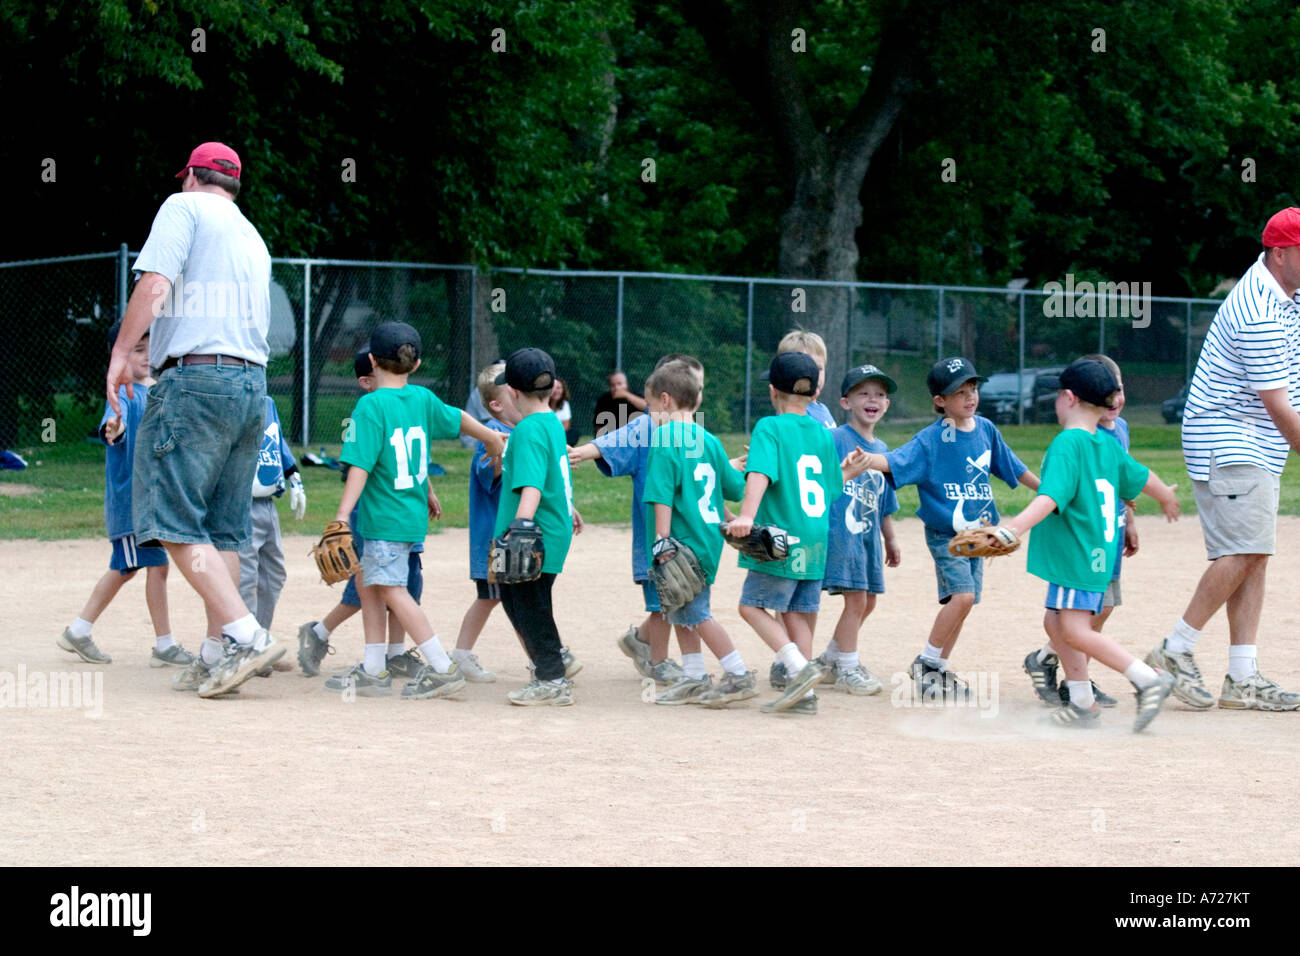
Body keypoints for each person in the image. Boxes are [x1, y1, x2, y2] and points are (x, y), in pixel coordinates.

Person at [106, 141, 284, 698]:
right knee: (225, 528)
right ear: (234, 184)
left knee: (171, 520)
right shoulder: (252, 235)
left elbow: (155, 284)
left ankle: (249, 637)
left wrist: (122, 351)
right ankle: (216, 652)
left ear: (190, 176)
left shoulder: (183, 207)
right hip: (252, 387)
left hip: (195, 381)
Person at [1150, 207, 1300, 711]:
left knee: (1253, 553)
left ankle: (1242, 677)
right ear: (1280, 254)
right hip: (1230, 437)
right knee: (1243, 550)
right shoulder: (1259, 310)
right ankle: (1176, 648)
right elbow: (1278, 405)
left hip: (1257, 439)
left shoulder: (1288, 294)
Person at [995, 359, 1181, 731]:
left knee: (1076, 630)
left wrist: (1012, 529)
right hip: (1094, 550)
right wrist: (1165, 495)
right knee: (1056, 622)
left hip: (1076, 552)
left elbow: (1050, 497)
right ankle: (1081, 701)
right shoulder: (1105, 444)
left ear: (1069, 398)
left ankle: (1148, 679)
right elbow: (1140, 476)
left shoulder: (1069, 443)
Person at [332, 321, 505, 699]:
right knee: (373, 585)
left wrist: (343, 515)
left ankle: (442, 667)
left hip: (385, 518)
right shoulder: (422, 398)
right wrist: (491, 436)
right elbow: (458, 417)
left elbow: (359, 465)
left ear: (372, 360)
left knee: (391, 590)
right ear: (415, 364)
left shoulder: (370, 405)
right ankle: (374, 668)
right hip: (409, 516)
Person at [859, 357, 1039, 699]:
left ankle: (937, 670)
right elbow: (896, 461)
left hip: (979, 536)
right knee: (963, 596)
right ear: (940, 401)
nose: (970, 397)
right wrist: (867, 459)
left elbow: (1014, 467)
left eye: (973, 388)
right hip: (947, 535)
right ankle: (926, 663)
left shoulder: (986, 430)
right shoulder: (931, 439)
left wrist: (1047, 493)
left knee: (965, 603)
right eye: (959, 392)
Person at [724, 351, 871, 715]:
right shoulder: (822, 434)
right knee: (797, 613)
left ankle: (800, 669)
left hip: (782, 538)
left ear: (773, 390)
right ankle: (803, 694)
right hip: (817, 538)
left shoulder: (769, 428)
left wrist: (746, 515)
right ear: (815, 393)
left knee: (750, 606)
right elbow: (830, 487)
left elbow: (759, 473)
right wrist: (850, 470)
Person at [569, 355, 713, 685]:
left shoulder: (692, 429)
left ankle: (639, 641)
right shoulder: (648, 425)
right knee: (663, 602)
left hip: (687, 535)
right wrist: (579, 452)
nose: (697, 394)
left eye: (700, 387)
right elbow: (611, 442)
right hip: (657, 538)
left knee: (679, 598)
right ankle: (658, 662)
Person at [298, 346, 434, 684]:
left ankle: (395, 654)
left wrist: (428, 490)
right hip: (372, 509)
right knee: (369, 586)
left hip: (404, 508)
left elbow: (410, 458)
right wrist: (344, 514)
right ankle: (320, 631)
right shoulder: (367, 413)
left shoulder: (403, 404)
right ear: (366, 381)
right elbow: (361, 465)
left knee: (408, 580)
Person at [59, 322, 188, 669]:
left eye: (149, 349)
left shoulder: (158, 390)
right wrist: (113, 428)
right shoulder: (123, 393)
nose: (146, 356)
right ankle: (161, 645)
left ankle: (80, 630)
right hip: (131, 504)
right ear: (118, 356)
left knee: (134, 567)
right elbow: (112, 424)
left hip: (151, 503)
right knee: (142, 566)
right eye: (137, 350)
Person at [640, 360, 757, 706]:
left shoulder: (664, 438)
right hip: (706, 541)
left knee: (697, 614)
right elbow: (732, 487)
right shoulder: (709, 440)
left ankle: (737, 674)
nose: (650, 414)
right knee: (679, 607)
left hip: (681, 543)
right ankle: (693, 677)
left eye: (650, 406)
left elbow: (661, 493)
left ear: (665, 400)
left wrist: (662, 541)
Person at [1023, 354, 1131, 708]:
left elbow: (1122, 484)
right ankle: (1075, 683)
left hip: (1109, 534)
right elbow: (1057, 492)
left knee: (1103, 607)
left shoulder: (1120, 430)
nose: (1115, 399)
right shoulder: (1079, 437)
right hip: (1083, 539)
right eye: (1107, 391)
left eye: (1119, 389)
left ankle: (1051, 662)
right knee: (1070, 616)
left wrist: (1130, 521)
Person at [493, 348, 579, 705]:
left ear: (513, 392)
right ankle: (554, 661)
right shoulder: (552, 422)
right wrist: (568, 505)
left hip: (534, 534)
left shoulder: (527, 429)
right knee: (517, 600)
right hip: (550, 528)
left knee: (530, 606)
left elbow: (532, 483)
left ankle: (551, 678)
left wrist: (522, 528)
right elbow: (554, 474)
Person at [809, 364, 901, 695]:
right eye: (863, 393)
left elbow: (885, 502)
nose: (872, 399)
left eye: (879, 394)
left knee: (868, 601)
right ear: (846, 402)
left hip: (868, 538)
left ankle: (831, 659)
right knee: (857, 600)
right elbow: (816, 481)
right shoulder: (834, 439)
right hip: (840, 533)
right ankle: (848, 667)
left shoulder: (883, 450)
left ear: (886, 405)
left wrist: (890, 539)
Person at [238, 395, 306, 636]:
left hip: (268, 503)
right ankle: (244, 640)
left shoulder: (267, 402)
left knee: (273, 574)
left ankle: (259, 635)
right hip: (240, 503)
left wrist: (294, 476)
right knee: (245, 577)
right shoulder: (230, 399)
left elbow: (276, 438)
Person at [778, 330, 836, 428]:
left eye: (819, 368)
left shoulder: (822, 408)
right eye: (805, 368)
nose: (814, 375)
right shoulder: (793, 411)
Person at [592, 369, 646, 436]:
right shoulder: (603, 401)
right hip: (612, 437)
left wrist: (626, 395)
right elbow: (598, 426)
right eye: (613, 385)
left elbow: (646, 407)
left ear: (626, 384)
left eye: (619, 384)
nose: (616, 388)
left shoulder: (636, 395)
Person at [549, 377, 580, 445]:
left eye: (559, 388)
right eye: (553, 388)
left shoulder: (565, 404)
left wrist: (556, 435)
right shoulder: (543, 403)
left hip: (558, 435)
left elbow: (566, 425)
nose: (556, 391)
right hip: (546, 434)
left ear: (563, 390)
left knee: (573, 433)